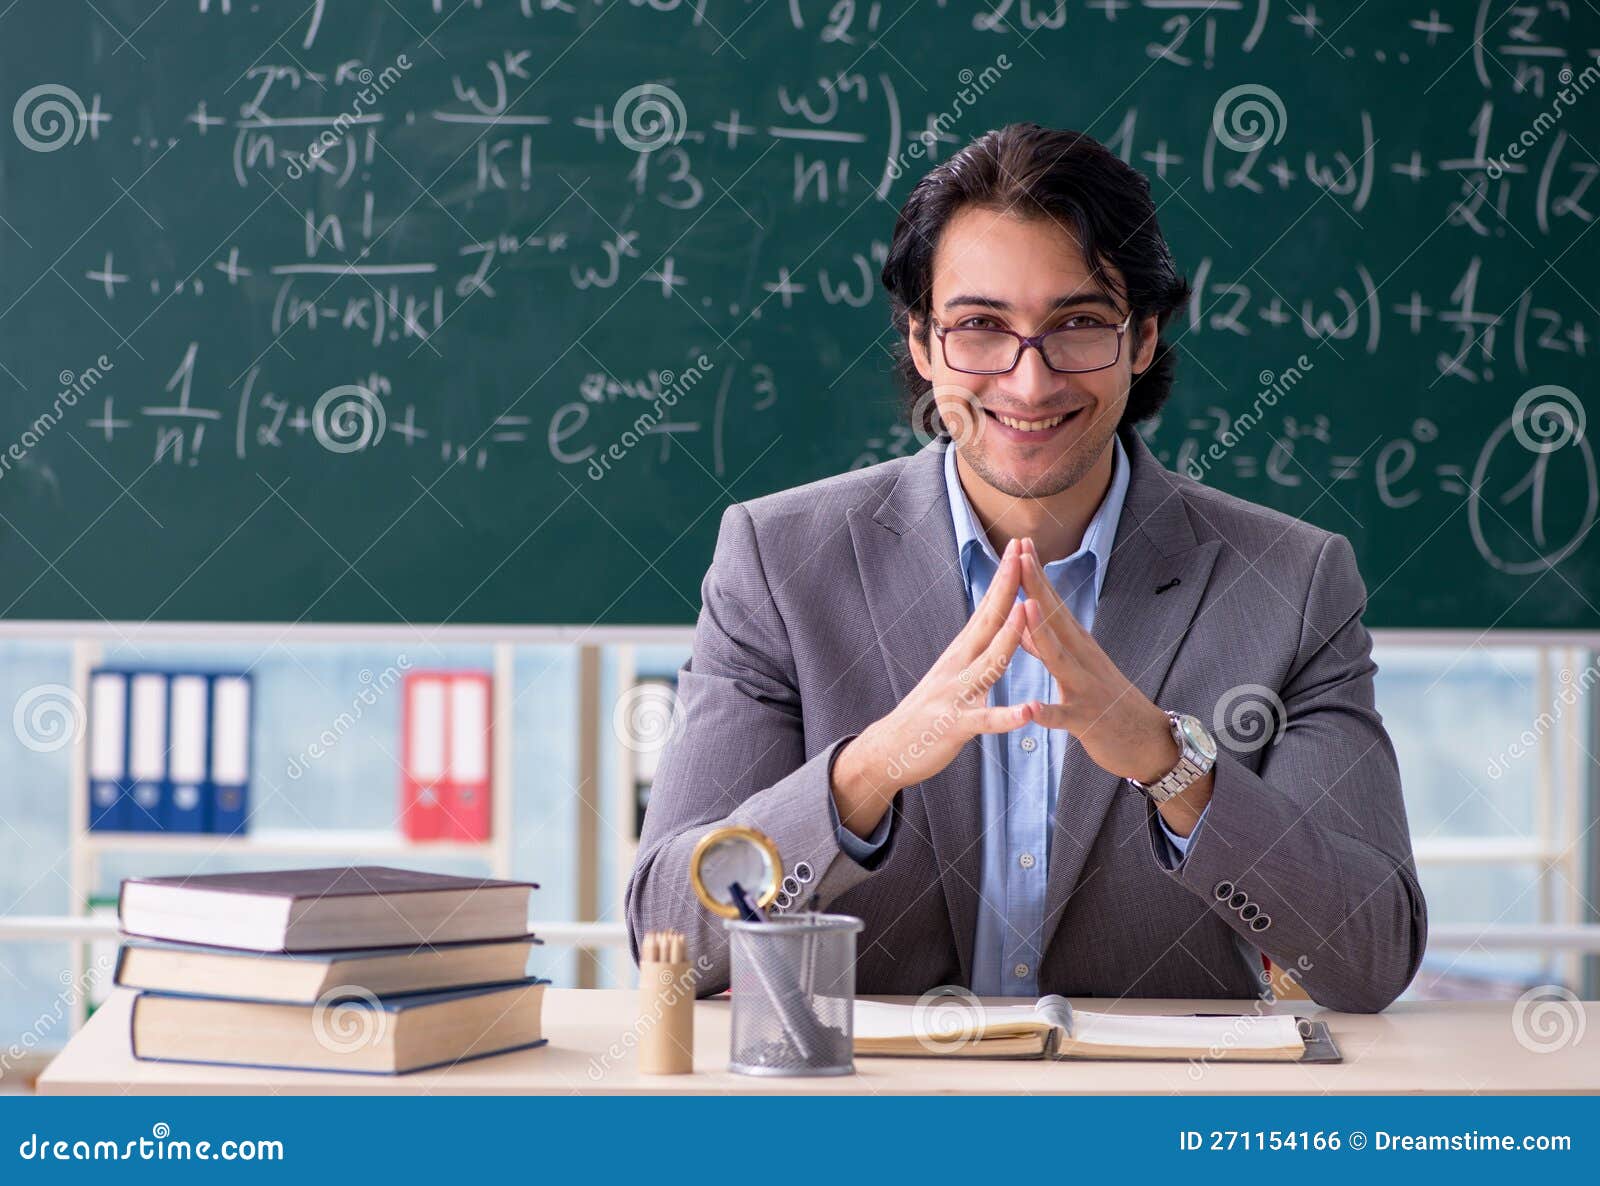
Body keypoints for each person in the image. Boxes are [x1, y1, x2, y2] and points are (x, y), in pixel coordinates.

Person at [626, 122, 1426, 1013]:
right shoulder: (779, 562)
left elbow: (1370, 955)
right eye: (979, 327)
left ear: (1145, 337)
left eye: (1078, 324)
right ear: (925, 346)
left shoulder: (1294, 583)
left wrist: (1169, 765)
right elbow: (670, 935)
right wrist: (876, 767)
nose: (1029, 381)